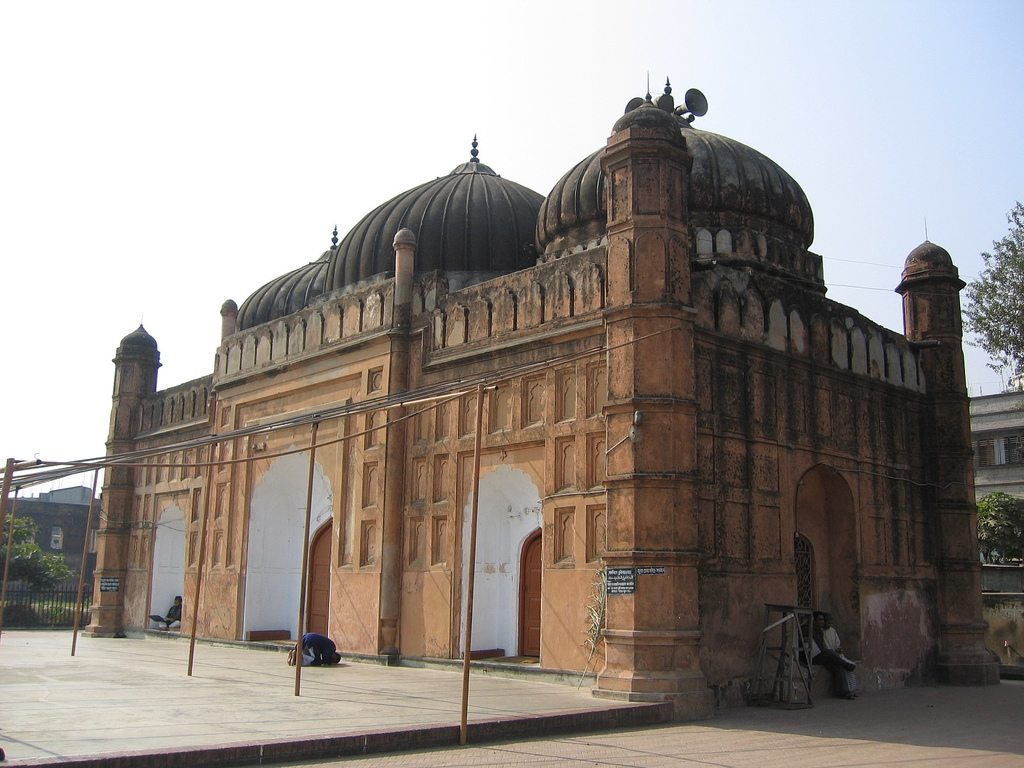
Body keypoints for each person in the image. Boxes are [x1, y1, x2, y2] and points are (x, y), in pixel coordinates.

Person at [811, 611, 857, 699]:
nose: (822, 622)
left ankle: (843, 692)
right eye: (820, 620)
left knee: (837, 667)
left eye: (823, 620)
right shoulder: (811, 630)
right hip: (813, 655)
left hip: (822, 655)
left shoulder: (821, 631)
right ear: (814, 621)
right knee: (830, 653)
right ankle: (845, 664)